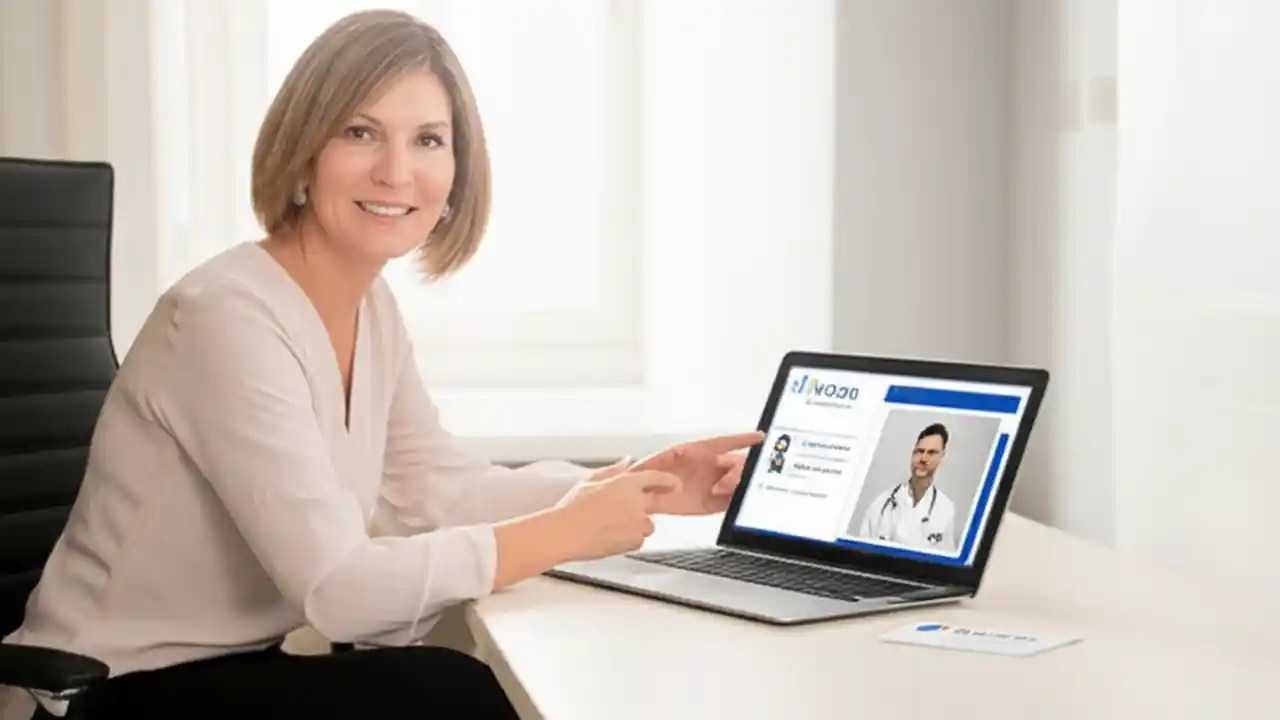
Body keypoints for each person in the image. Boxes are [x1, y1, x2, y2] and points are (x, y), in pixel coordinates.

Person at [0, 10, 762, 719]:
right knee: (451, 694)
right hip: (109, 691)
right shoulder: (224, 317)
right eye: (361, 133)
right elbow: (338, 590)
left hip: (229, 667)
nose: (397, 172)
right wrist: (567, 532)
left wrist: (621, 487)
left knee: (454, 685)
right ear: (303, 153)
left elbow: (429, 488)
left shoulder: (369, 308)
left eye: (428, 139)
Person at [858, 423, 957, 552]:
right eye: (920, 451)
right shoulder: (882, 503)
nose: (923, 458)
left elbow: (947, 561)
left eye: (931, 453)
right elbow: (860, 552)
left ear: (942, 456)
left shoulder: (946, 508)